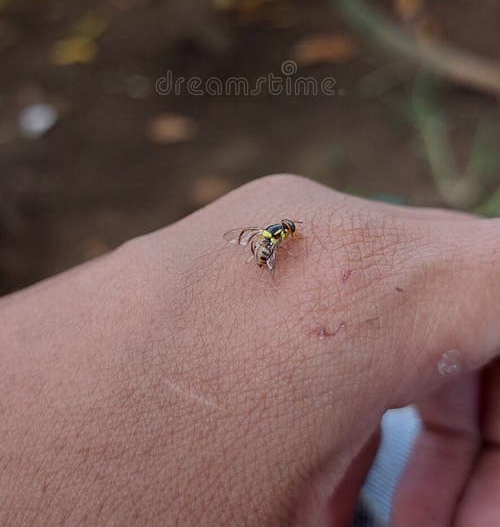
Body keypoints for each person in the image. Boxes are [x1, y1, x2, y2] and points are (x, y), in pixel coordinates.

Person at [1, 174, 499, 526]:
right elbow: (276, 245)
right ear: (278, 234)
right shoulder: (276, 241)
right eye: (284, 233)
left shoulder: (273, 232)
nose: (287, 235)